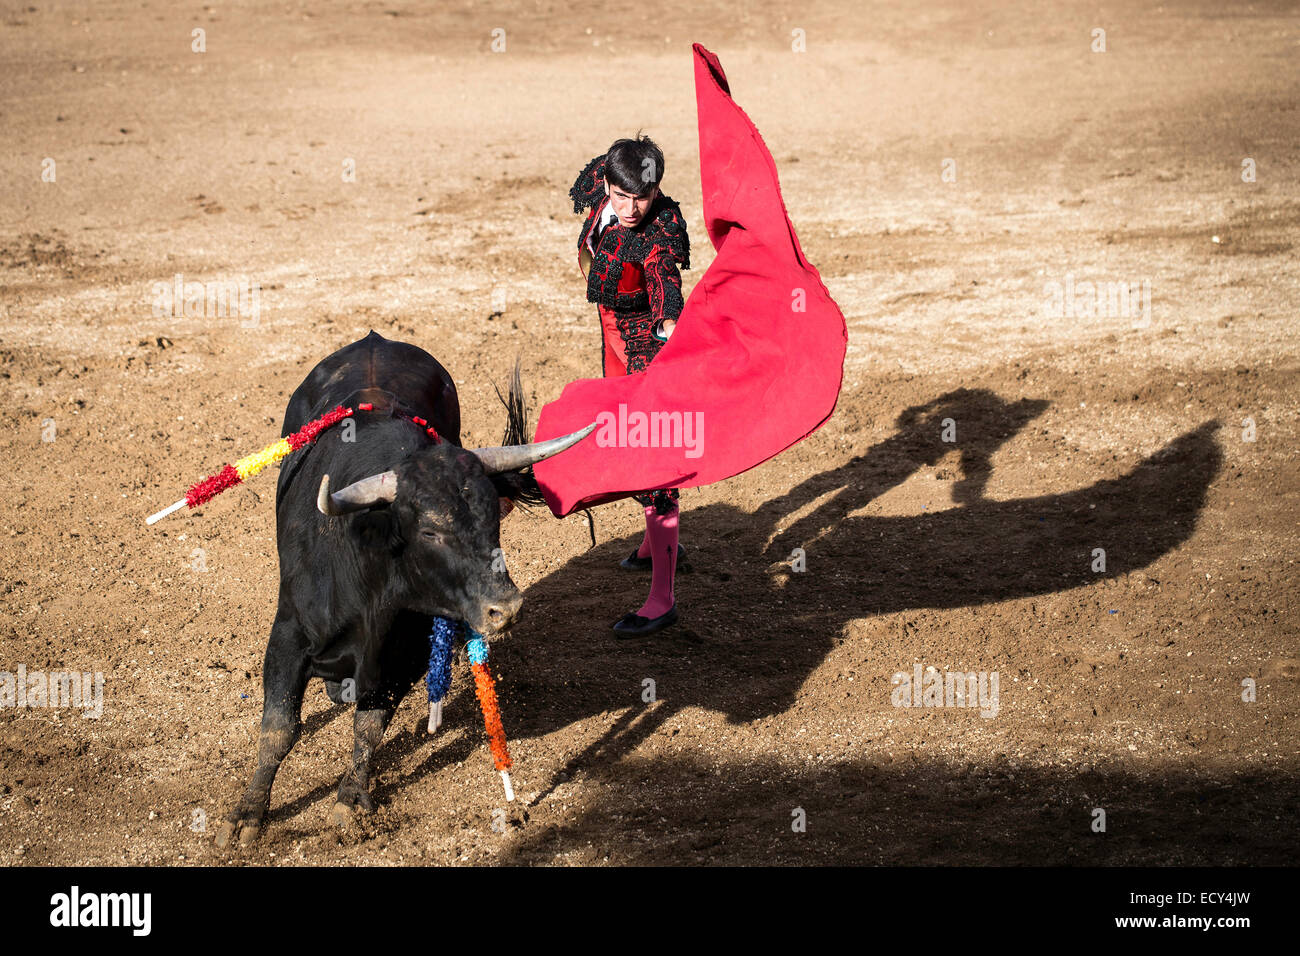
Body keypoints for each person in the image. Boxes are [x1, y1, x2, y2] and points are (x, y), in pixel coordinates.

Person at [569, 134, 689, 636]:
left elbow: (665, 288)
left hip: (645, 347)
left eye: (643, 196)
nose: (633, 207)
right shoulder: (609, 182)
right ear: (609, 184)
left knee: (652, 456)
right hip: (610, 336)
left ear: (656, 189)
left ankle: (662, 598)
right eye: (623, 196)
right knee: (623, 436)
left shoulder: (658, 237)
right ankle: (655, 543)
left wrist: (670, 333)